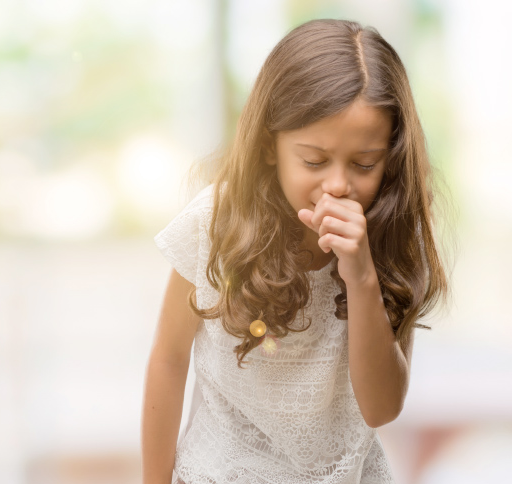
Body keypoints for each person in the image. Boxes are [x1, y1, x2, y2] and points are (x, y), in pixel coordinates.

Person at [141, 18, 452, 484]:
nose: (338, 184)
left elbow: (382, 407)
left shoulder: (390, 235)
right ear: (270, 146)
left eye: (364, 163)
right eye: (314, 161)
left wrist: (362, 277)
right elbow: (169, 359)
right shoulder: (217, 223)